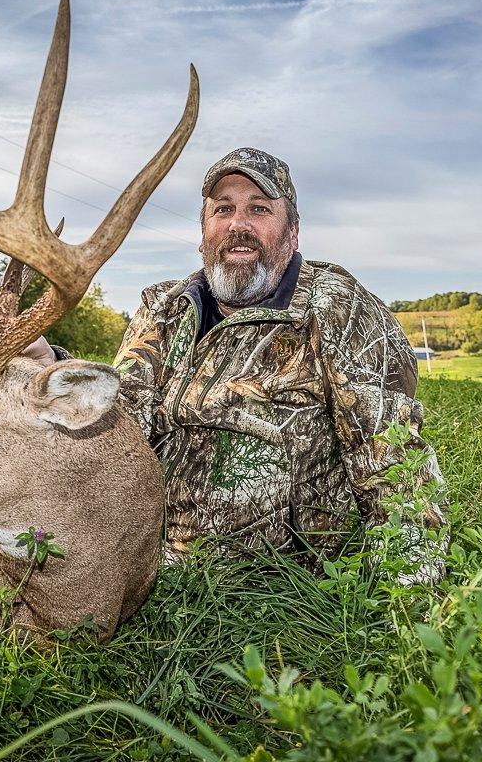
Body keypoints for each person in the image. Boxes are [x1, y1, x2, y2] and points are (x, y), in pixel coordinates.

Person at [107, 147, 448, 584]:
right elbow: (120, 420)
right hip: (144, 566)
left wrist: (406, 605)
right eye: (223, 209)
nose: (238, 225)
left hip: (280, 588)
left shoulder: (337, 309)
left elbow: (393, 464)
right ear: (203, 232)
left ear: (293, 232)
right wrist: (50, 368)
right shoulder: (162, 308)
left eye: (260, 209)